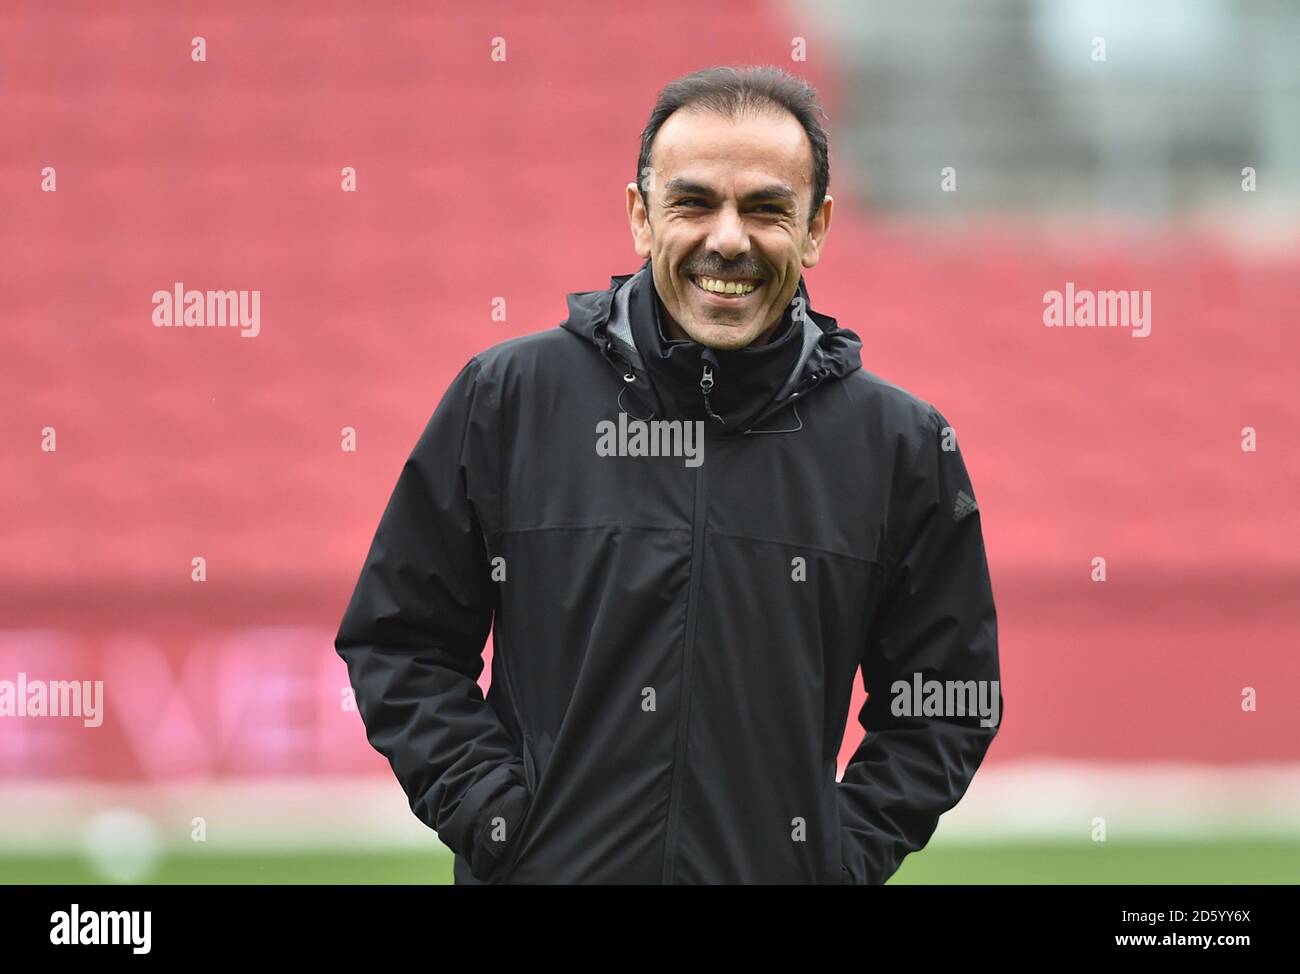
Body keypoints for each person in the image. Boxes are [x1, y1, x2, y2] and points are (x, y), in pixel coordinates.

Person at [334, 65, 1002, 885]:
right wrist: (498, 821)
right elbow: (400, 642)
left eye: (766, 208)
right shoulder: (508, 399)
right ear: (640, 216)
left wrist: (838, 859)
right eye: (694, 203)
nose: (728, 240)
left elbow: (948, 700)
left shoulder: (900, 446)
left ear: (818, 228)